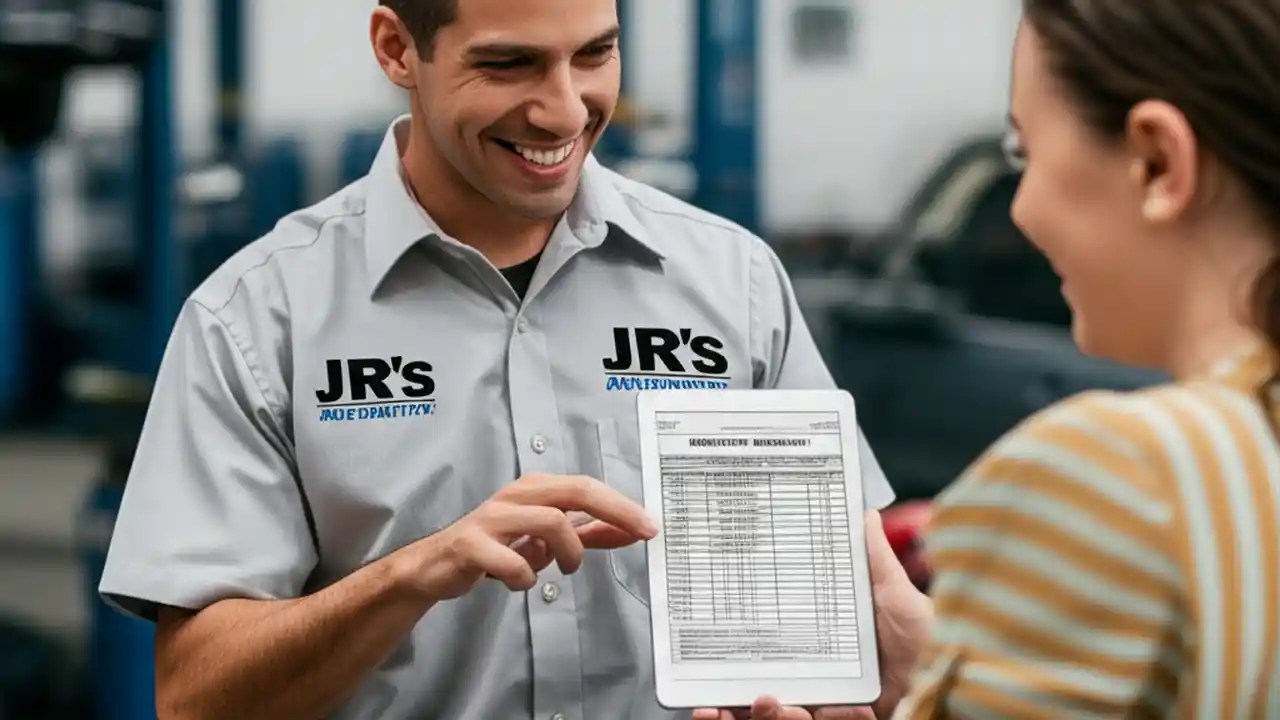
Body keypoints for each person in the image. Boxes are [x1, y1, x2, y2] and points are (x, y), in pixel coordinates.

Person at [96, 1, 898, 718]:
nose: (561, 110)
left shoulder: (735, 283)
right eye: (508, 63)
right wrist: (412, 574)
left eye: (594, 54)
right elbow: (198, 696)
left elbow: (854, 621)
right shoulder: (259, 317)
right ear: (397, 47)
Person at [700, 0, 1280, 717]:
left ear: (1158, 162)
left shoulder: (1113, 474)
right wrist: (945, 676)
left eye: (1024, 154)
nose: (1020, 210)